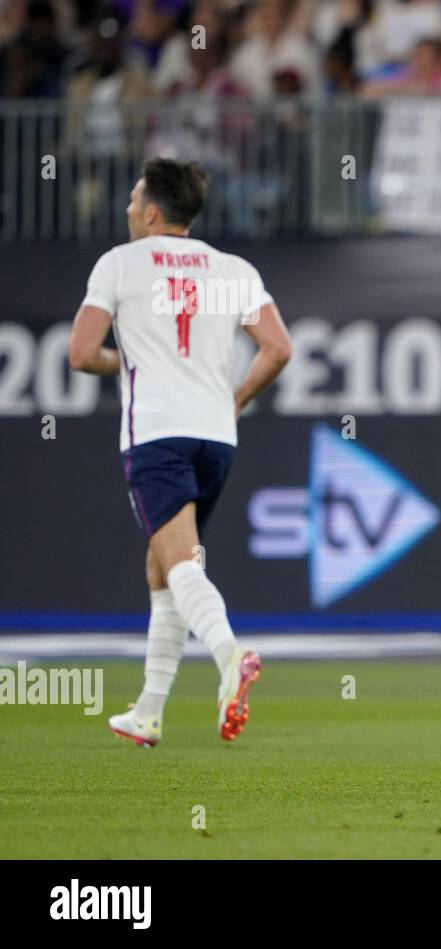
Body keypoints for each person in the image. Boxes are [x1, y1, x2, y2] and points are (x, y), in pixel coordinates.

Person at [67, 158, 293, 747]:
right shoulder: (233, 267)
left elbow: (80, 352)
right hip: (216, 436)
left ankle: (229, 654)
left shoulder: (119, 263)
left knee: (180, 563)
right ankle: (148, 710)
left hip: (157, 433)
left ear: (149, 211)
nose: (127, 211)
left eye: (132, 201)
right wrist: (236, 397)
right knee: (162, 562)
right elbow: (278, 348)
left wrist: (128, 363)